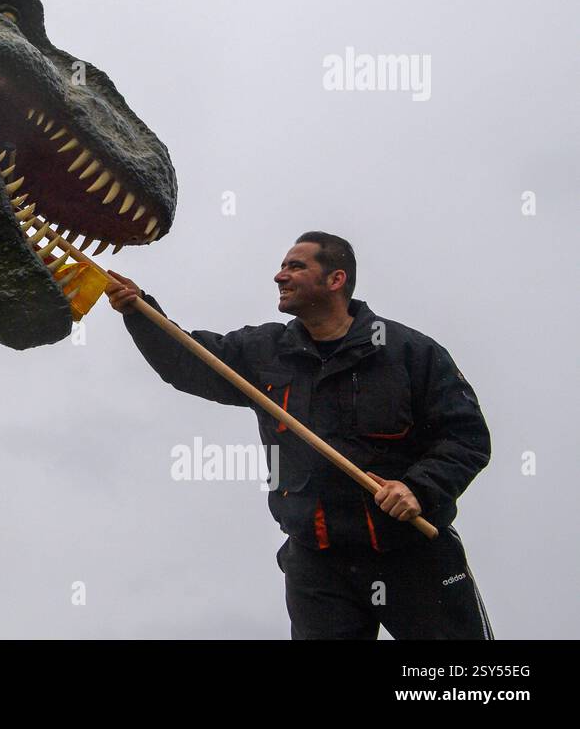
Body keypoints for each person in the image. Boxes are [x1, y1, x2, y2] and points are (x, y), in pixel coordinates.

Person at [105, 231, 493, 639]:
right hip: (317, 564)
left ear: (336, 279)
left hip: (413, 553)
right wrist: (139, 311)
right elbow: (189, 362)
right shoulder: (265, 350)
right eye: (282, 266)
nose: (280, 276)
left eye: (296, 266)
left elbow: (466, 437)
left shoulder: (409, 352)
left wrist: (418, 488)